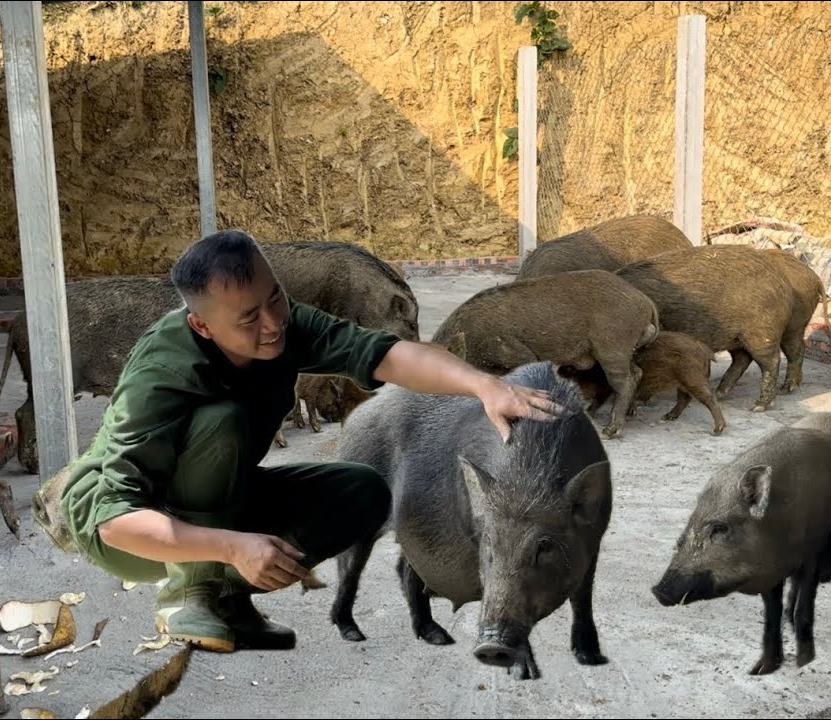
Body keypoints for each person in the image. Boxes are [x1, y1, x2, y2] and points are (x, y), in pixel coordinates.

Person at [58, 229, 564, 654]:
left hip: (216, 499)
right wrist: (232, 546)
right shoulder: (161, 374)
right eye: (248, 318)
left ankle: (228, 600)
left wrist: (483, 386)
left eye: (274, 298)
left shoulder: (286, 325)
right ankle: (189, 594)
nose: (272, 323)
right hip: (128, 528)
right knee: (221, 423)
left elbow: (388, 355)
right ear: (201, 326)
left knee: (363, 491)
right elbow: (113, 520)